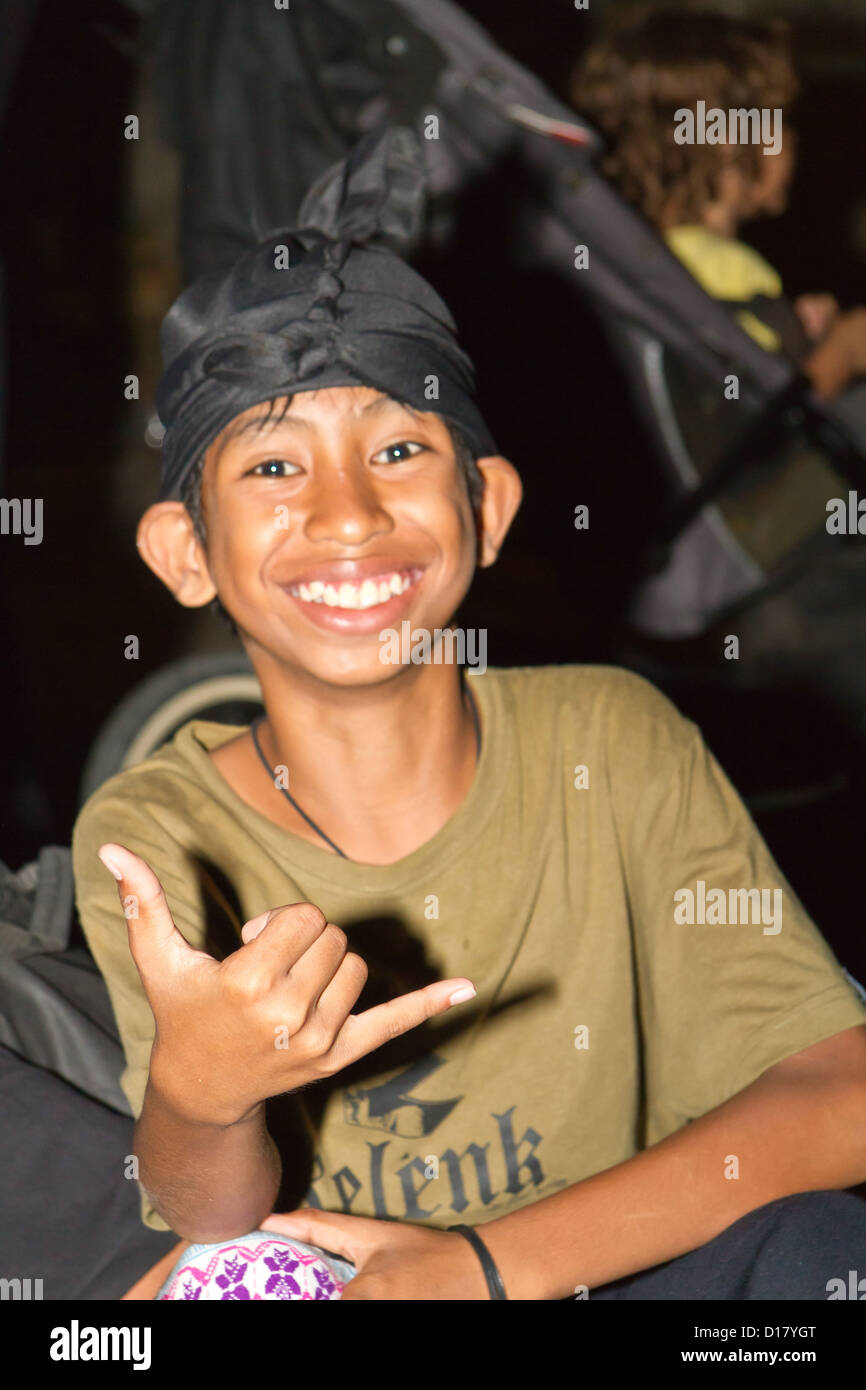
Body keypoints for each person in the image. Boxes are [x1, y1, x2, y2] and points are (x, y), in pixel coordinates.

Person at [72, 127, 866, 1301]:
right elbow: (212, 1213)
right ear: (185, 552)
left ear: (485, 507)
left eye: (398, 449)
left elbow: (836, 1088)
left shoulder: (612, 742)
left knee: (817, 1258)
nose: (347, 515)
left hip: (598, 1275)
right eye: (274, 469)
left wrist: (486, 1269)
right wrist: (201, 1093)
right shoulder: (156, 833)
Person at [571, 9, 866, 400]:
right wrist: (844, 352)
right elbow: (759, 419)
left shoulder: (656, 265)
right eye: (780, 121)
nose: (792, 139)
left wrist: (794, 331)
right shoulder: (715, 271)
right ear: (725, 142)